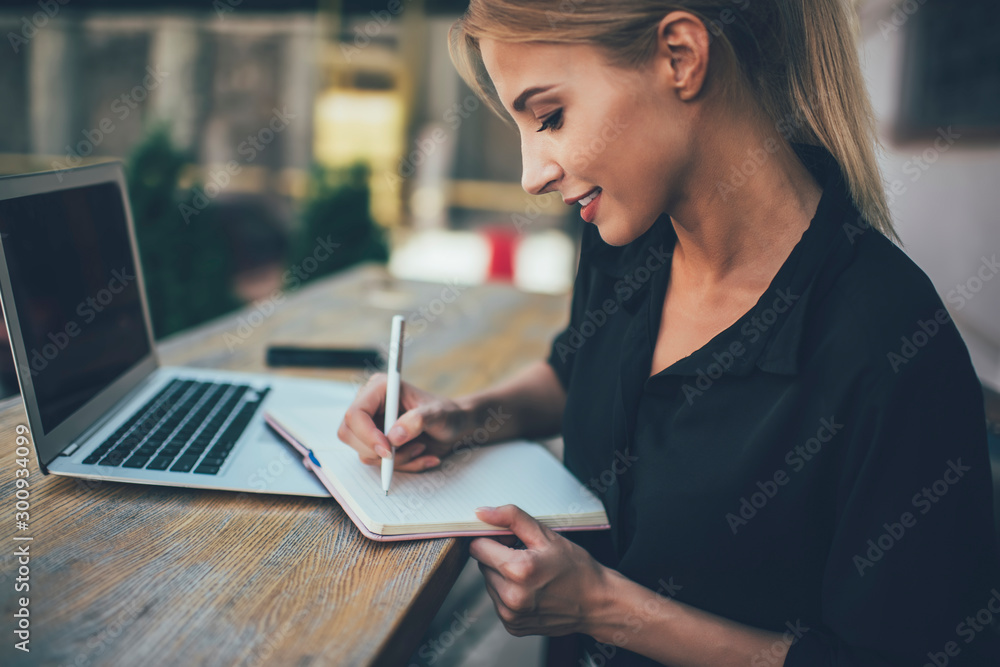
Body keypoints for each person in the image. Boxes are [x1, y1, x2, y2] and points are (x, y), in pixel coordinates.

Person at [337, 1, 1000, 664]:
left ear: (680, 56)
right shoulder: (624, 235)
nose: (531, 173)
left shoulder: (892, 346)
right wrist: (463, 416)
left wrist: (604, 607)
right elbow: (580, 370)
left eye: (550, 118)